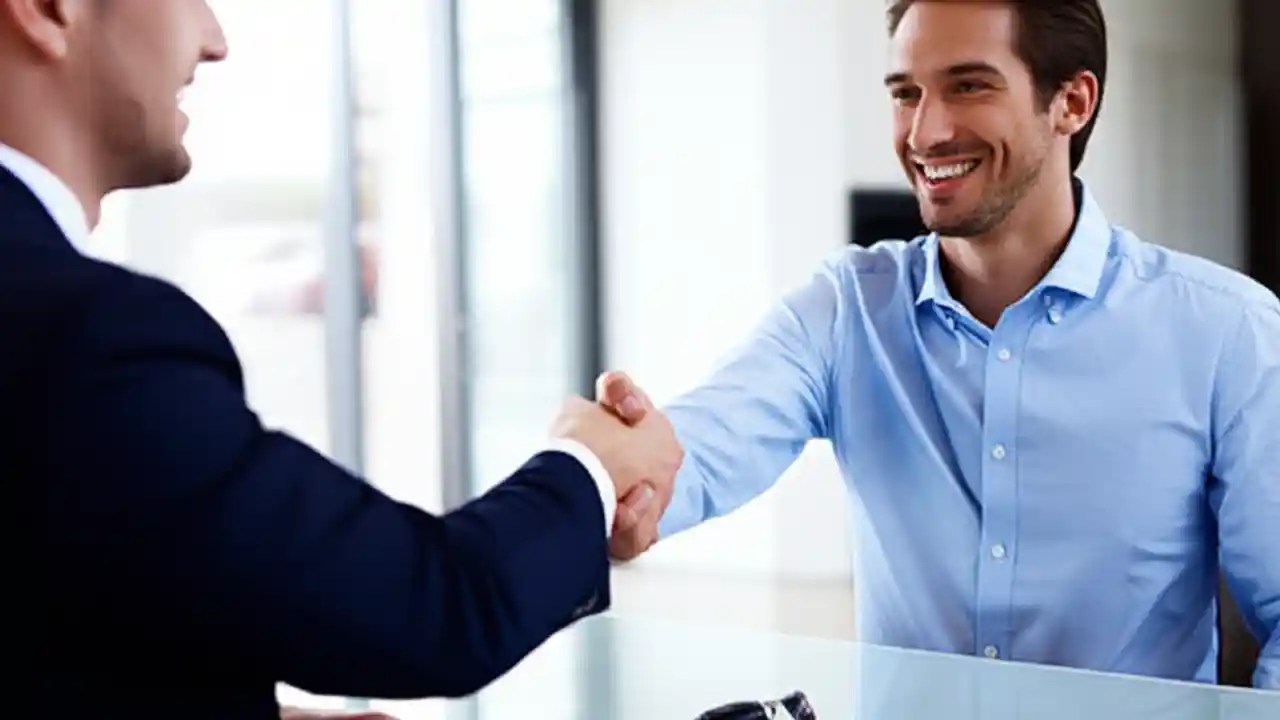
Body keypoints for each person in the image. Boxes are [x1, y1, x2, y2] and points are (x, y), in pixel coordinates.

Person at [3, 1, 682, 716]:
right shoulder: (89, 335)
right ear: (50, 9)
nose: (215, 40)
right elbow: (434, 609)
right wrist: (592, 466)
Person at [599, 0, 1280, 690]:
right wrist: (617, 479)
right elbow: (705, 444)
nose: (925, 132)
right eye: (906, 93)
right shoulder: (847, 310)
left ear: (1071, 101)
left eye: (968, 86)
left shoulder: (1227, 332)